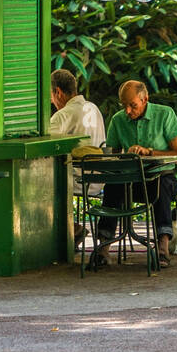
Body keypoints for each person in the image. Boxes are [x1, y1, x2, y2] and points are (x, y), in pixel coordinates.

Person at [97, 80, 177, 268]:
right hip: (131, 181)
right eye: (124, 105)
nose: (128, 111)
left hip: (160, 178)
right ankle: (103, 247)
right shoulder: (118, 120)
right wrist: (120, 158)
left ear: (145, 100)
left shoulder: (164, 114)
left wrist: (149, 152)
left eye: (133, 105)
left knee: (161, 187)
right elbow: (113, 155)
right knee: (112, 186)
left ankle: (163, 247)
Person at [49, 69, 106, 246]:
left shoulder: (63, 115)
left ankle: (72, 228)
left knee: (38, 186)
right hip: (100, 178)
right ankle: (73, 228)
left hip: (78, 179)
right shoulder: (93, 108)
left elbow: (49, 145)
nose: (51, 101)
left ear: (58, 92)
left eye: (51, 95)